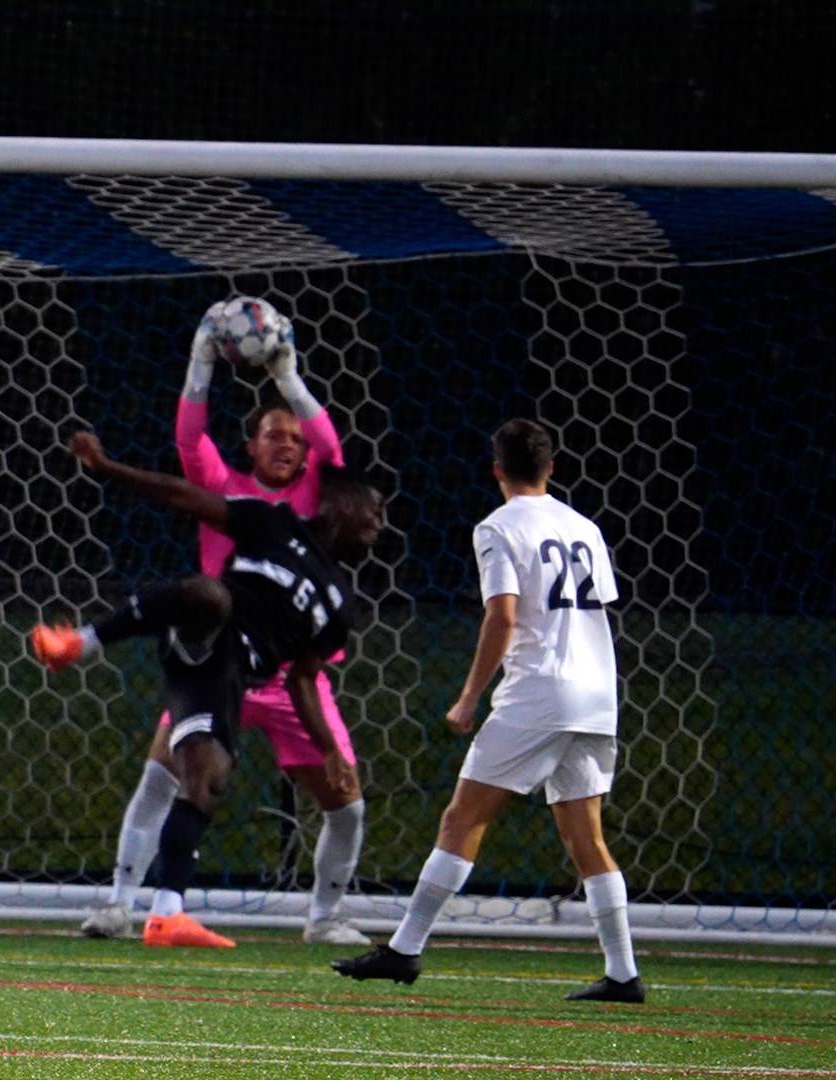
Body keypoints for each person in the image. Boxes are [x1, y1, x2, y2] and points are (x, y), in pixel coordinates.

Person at [79, 301, 371, 947]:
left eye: (295, 440)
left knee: (347, 805)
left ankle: (324, 918)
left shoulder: (313, 505)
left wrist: (289, 375)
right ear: (251, 444)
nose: (288, 444)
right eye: (274, 433)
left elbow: (334, 448)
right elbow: (188, 443)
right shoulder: (228, 488)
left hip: (292, 674)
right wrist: (200, 364)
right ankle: (119, 905)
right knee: (162, 777)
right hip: (220, 658)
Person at [332, 419, 643, 1002]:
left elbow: (502, 615)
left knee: (462, 818)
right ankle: (623, 972)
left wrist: (470, 696)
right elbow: (595, 608)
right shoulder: (585, 527)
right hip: (598, 693)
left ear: (497, 469)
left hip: (540, 693)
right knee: (585, 836)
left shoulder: (497, 527)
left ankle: (404, 949)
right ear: (551, 468)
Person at [34, 429, 382, 949]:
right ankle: (79, 643)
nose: (379, 523)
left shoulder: (340, 603)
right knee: (209, 594)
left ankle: (166, 915)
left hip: (233, 677)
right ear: (342, 504)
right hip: (205, 638)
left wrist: (330, 749)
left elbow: (305, 678)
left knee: (208, 780)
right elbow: (182, 495)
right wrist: (107, 467)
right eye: (374, 509)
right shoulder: (275, 524)